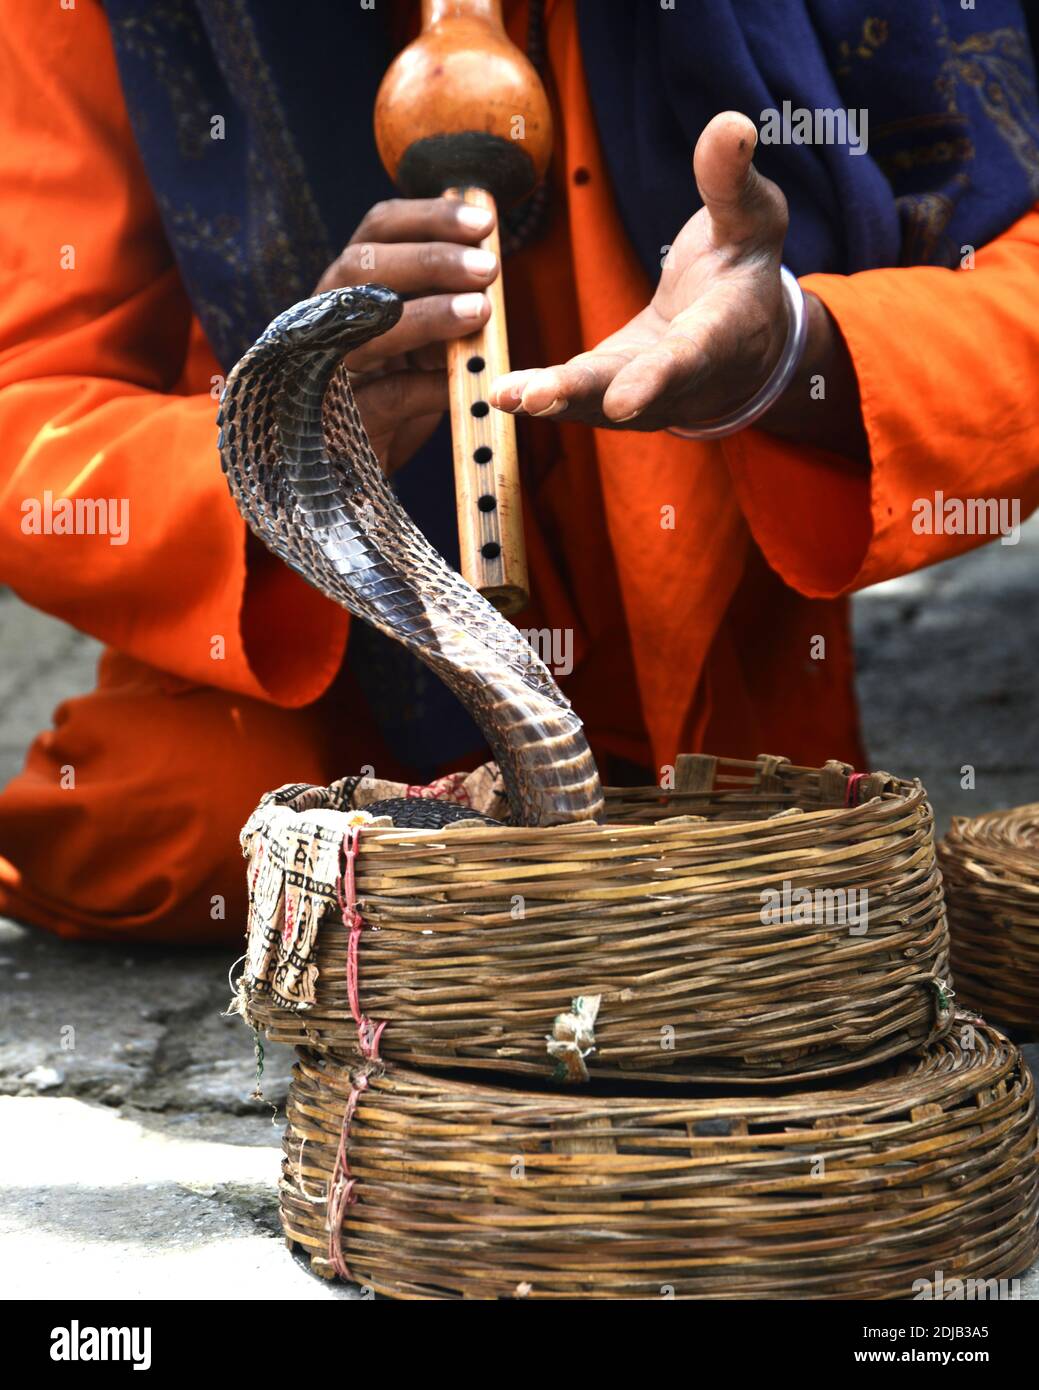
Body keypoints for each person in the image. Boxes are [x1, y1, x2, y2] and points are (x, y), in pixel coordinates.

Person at [1, 0, 1037, 943]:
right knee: (177, 824)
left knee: (744, 873)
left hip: (704, 676)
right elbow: (30, 410)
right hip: (323, 674)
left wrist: (797, 353)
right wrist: (281, 449)